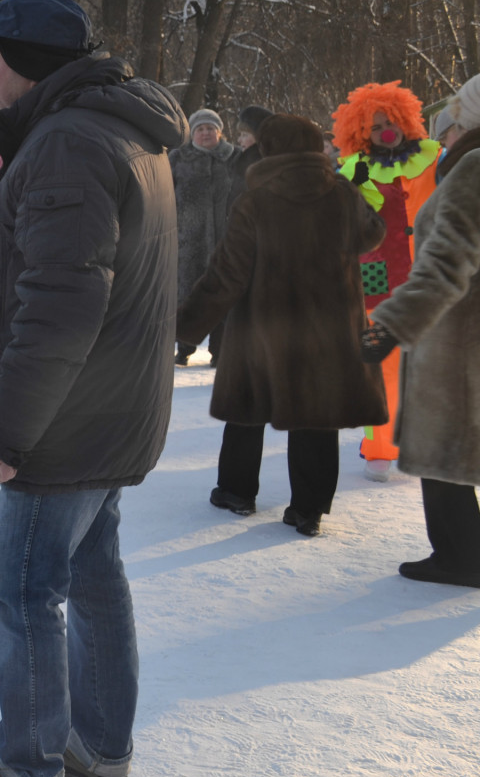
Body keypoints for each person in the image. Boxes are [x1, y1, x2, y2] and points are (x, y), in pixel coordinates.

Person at [0, 0, 185, 777]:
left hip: (67, 417)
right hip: (104, 405)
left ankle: (30, 772)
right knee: (91, 571)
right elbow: (62, 252)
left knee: (20, 584)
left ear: (26, 62)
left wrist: (7, 432)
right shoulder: (100, 129)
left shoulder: (68, 142)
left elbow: (61, 302)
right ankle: (99, 751)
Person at [177, 115, 388, 537]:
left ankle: (236, 492)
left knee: (248, 404)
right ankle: (308, 510)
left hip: (263, 326)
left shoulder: (256, 201)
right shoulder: (342, 194)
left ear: (268, 150)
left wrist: (186, 325)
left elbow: (227, 273)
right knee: (317, 412)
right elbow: (372, 235)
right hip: (328, 327)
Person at [365, 86, 480, 588]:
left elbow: (446, 263)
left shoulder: (472, 166)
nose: (447, 132)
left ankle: (460, 557)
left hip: (457, 331)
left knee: (444, 447)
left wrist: (390, 324)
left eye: (455, 120)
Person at [332, 80, 442, 481]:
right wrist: (353, 187)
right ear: (362, 133)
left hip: (430, 276)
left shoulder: (434, 158)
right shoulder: (352, 170)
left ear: (406, 121)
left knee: (432, 365)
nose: (385, 132)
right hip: (377, 277)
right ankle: (380, 447)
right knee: (382, 367)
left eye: (390, 123)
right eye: (375, 127)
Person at [170, 108, 238, 365]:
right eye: (200, 129)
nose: (205, 133)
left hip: (227, 238)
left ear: (220, 131)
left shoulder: (235, 158)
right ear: (192, 133)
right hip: (188, 241)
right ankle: (184, 348)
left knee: (224, 294)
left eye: (210, 128)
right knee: (188, 294)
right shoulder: (178, 158)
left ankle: (220, 351)